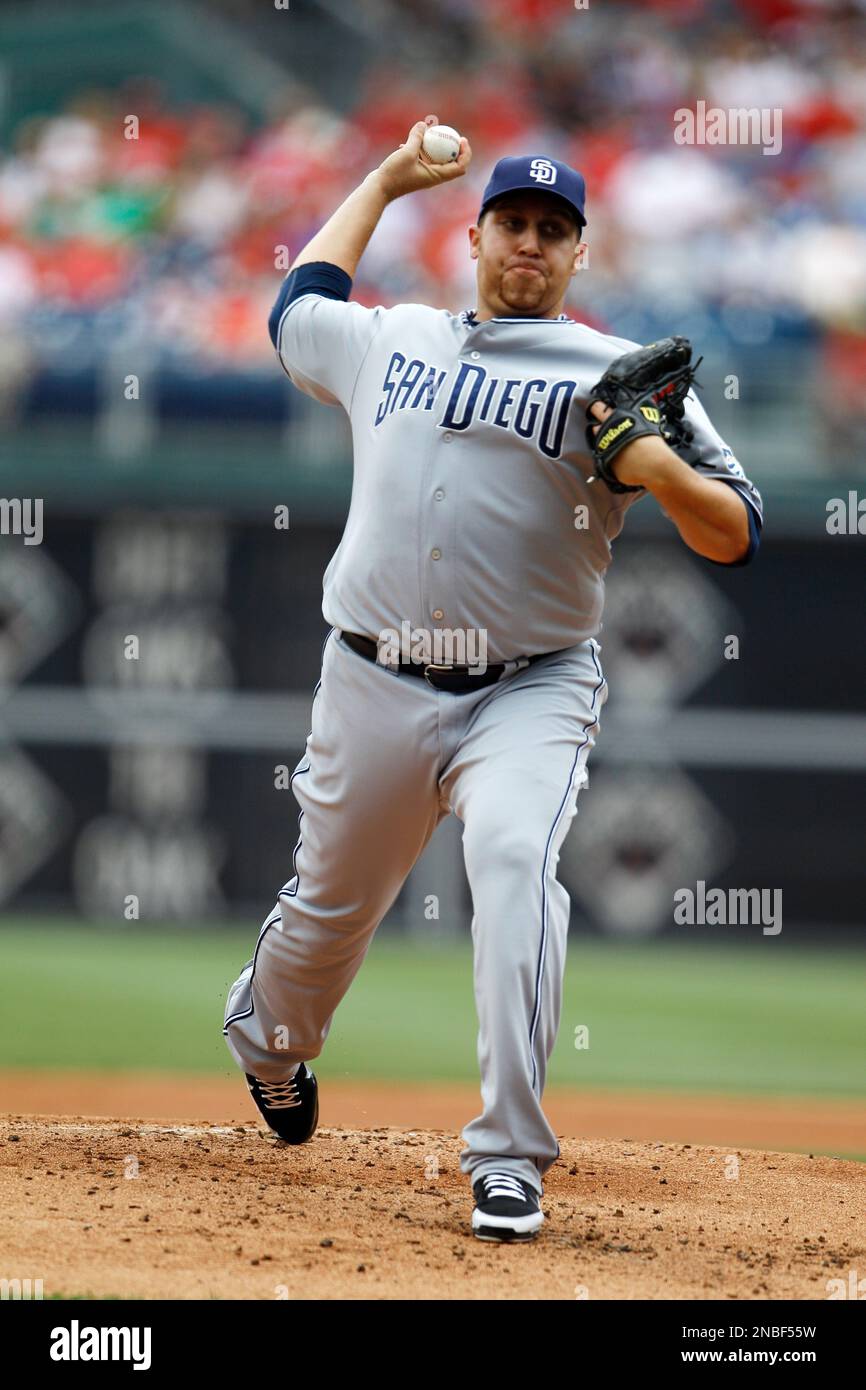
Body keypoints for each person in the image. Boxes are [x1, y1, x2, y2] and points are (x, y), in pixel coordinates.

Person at [224, 116, 763, 1244]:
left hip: (530, 687)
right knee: (327, 917)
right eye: (511, 222)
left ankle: (506, 1157)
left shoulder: (613, 377)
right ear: (474, 237)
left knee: (513, 860)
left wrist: (647, 456)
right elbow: (294, 307)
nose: (529, 241)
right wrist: (379, 178)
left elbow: (733, 535)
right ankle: (268, 1041)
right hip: (371, 679)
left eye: (551, 229)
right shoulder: (395, 336)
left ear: (577, 253)